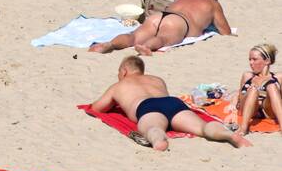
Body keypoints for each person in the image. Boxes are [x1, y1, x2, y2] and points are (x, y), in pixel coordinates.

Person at [89, 57, 248, 150]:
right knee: (202, 127)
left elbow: (97, 108)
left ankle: (158, 141)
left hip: (147, 106)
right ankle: (228, 135)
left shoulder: (119, 85)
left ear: (123, 71)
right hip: (172, 103)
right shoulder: (157, 80)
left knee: (153, 128)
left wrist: (118, 101)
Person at [89, 0, 231, 55]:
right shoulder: (213, 4)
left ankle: (110, 44)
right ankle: (147, 47)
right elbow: (226, 32)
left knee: (133, 35)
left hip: (160, 15)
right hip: (179, 22)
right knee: (162, 38)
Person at [225, 44, 282, 135]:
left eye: (254, 59)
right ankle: (244, 128)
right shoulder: (248, 76)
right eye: (250, 59)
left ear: (267, 61)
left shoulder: (278, 77)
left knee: (271, 86)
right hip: (247, 109)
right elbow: (240, 94)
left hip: (268, 110)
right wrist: (234, 102)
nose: (251, 63)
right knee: (253, 90)